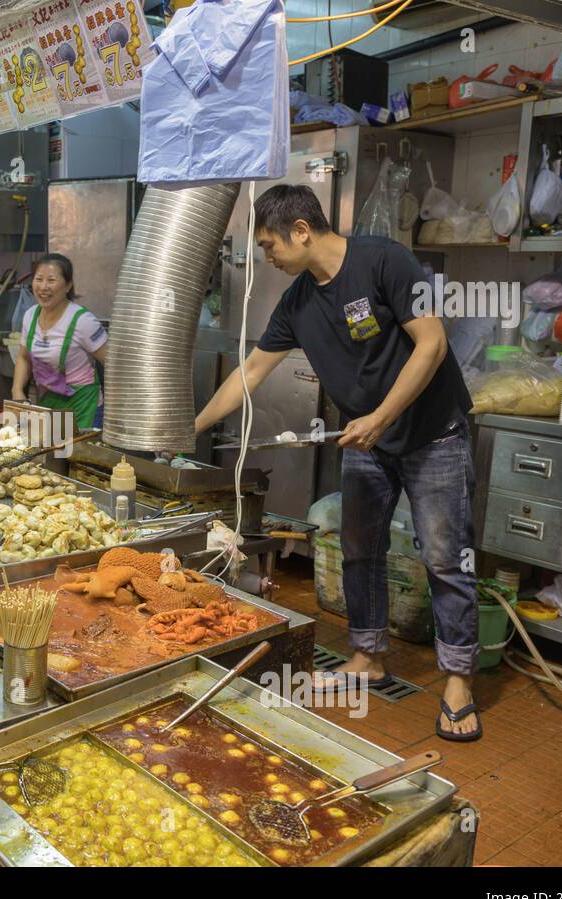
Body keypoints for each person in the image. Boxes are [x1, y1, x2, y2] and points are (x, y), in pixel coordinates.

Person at [194, 184, 481, 742]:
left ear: (302, 231)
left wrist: (380, 417)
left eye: (271, 244)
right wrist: (190, 428)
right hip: (368, 443)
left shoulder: (384, 262)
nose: (268, 257)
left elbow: (431, 345)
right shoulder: (298, 302)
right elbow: (251, 372)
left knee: (446, 557)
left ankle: (458, 680)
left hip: (432, 435)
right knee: (359, 552)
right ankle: (369, 658)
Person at [10, 253, 108, 430]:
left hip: (83, 407)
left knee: (78, 456)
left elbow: (112, 364)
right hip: (49, 405)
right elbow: (24, 357)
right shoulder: (30, 316)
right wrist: (17, 391)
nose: (43, 287)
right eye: (38, 279)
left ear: (68, 285)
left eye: (51, 280)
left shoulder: (82, 320)